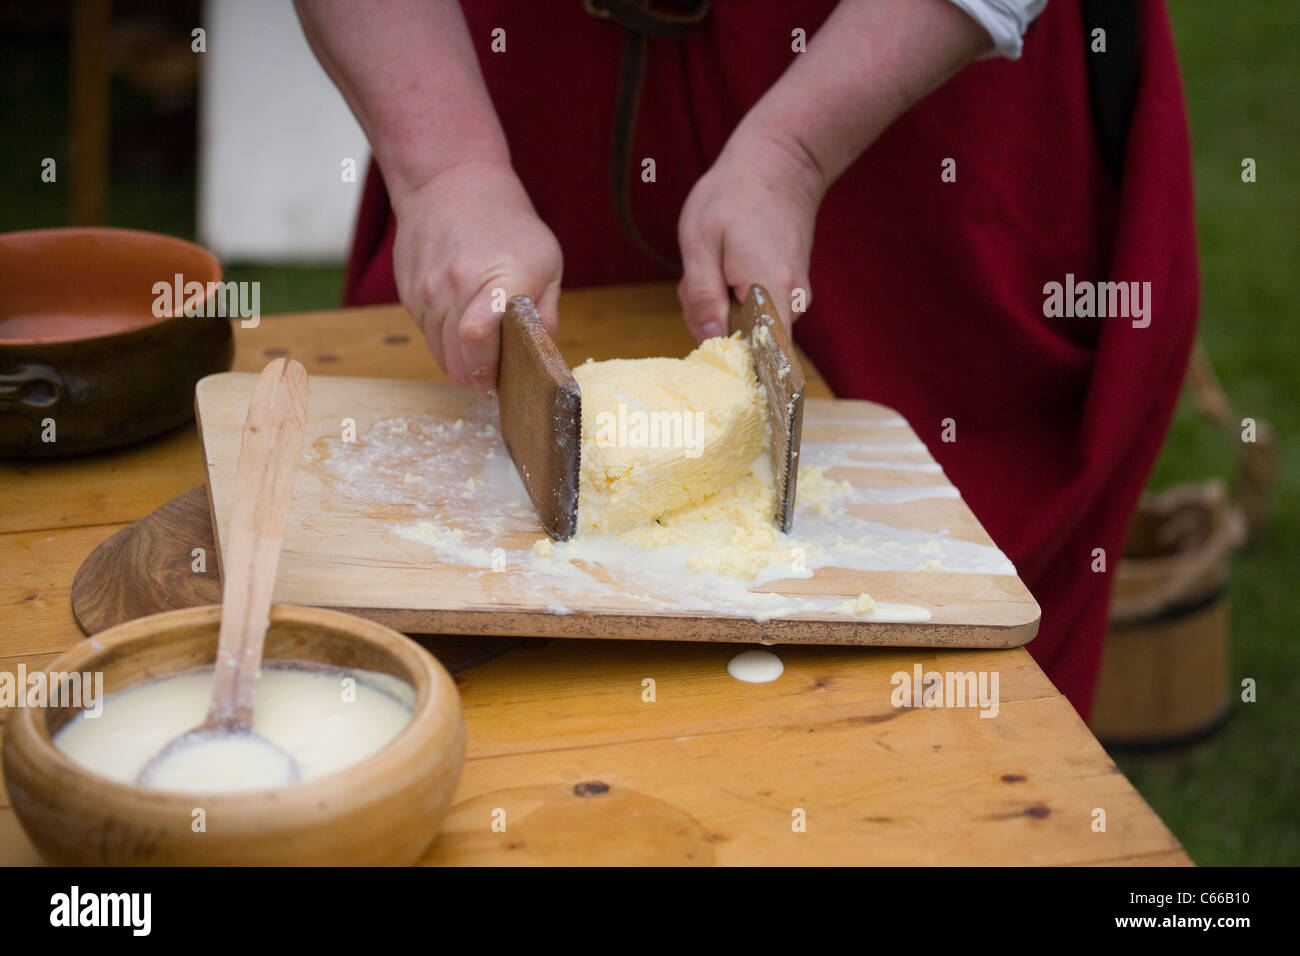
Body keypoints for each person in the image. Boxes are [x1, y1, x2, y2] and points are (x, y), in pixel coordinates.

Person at [295, 0, 1198, 719]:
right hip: (488, 85)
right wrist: (446, 173)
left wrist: (795, 151)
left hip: (909, 102)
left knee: (930, 681)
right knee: (483, 672)